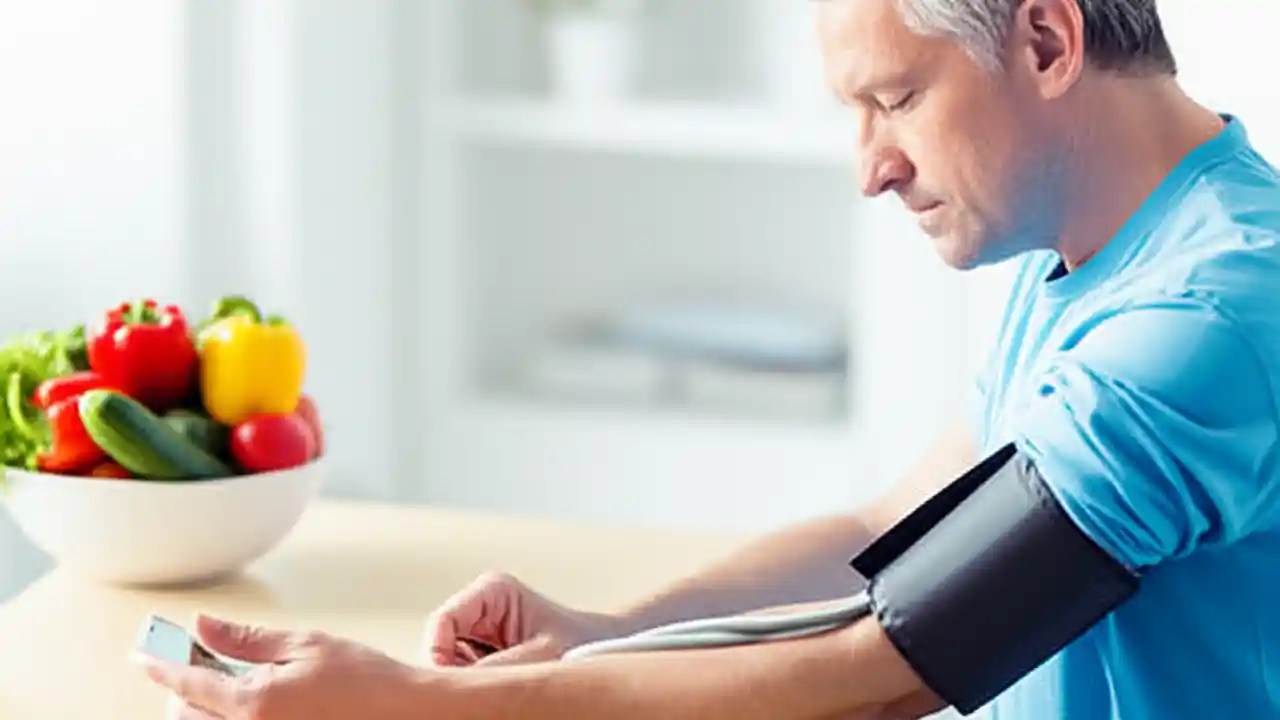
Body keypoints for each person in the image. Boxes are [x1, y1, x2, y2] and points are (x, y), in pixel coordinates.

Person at [139, 0, 1280, 717]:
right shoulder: (1090, 246)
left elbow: (878, 674)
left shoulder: (1206, 322)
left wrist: (411, 708)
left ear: (1046, 41)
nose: (870, 168)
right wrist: (604, 633)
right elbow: (890, 532)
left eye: (895, 99)